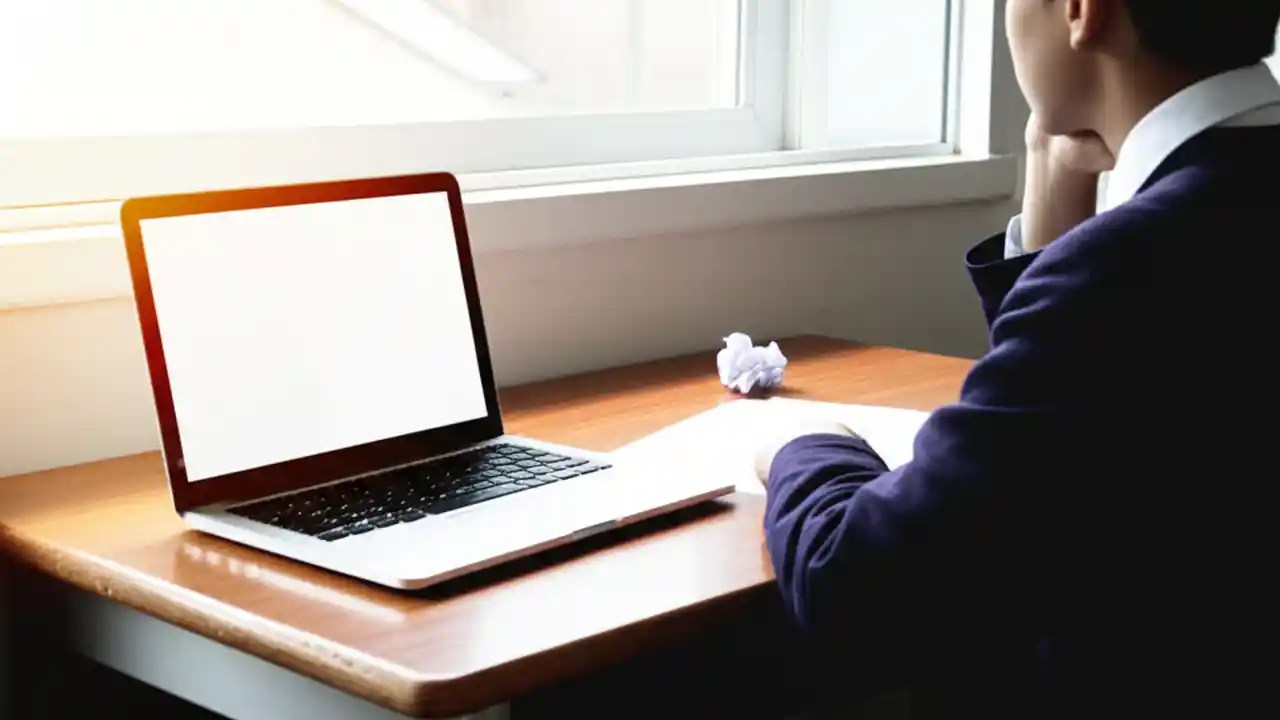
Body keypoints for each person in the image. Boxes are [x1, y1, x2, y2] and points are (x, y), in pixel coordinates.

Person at [754, 1, 1278, 716]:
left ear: (1080, 11)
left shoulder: (1123, 276)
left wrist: (802, 445)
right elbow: (1069, 435)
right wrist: (1052, 179)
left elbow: (853, 598)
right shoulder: (1197, 231)